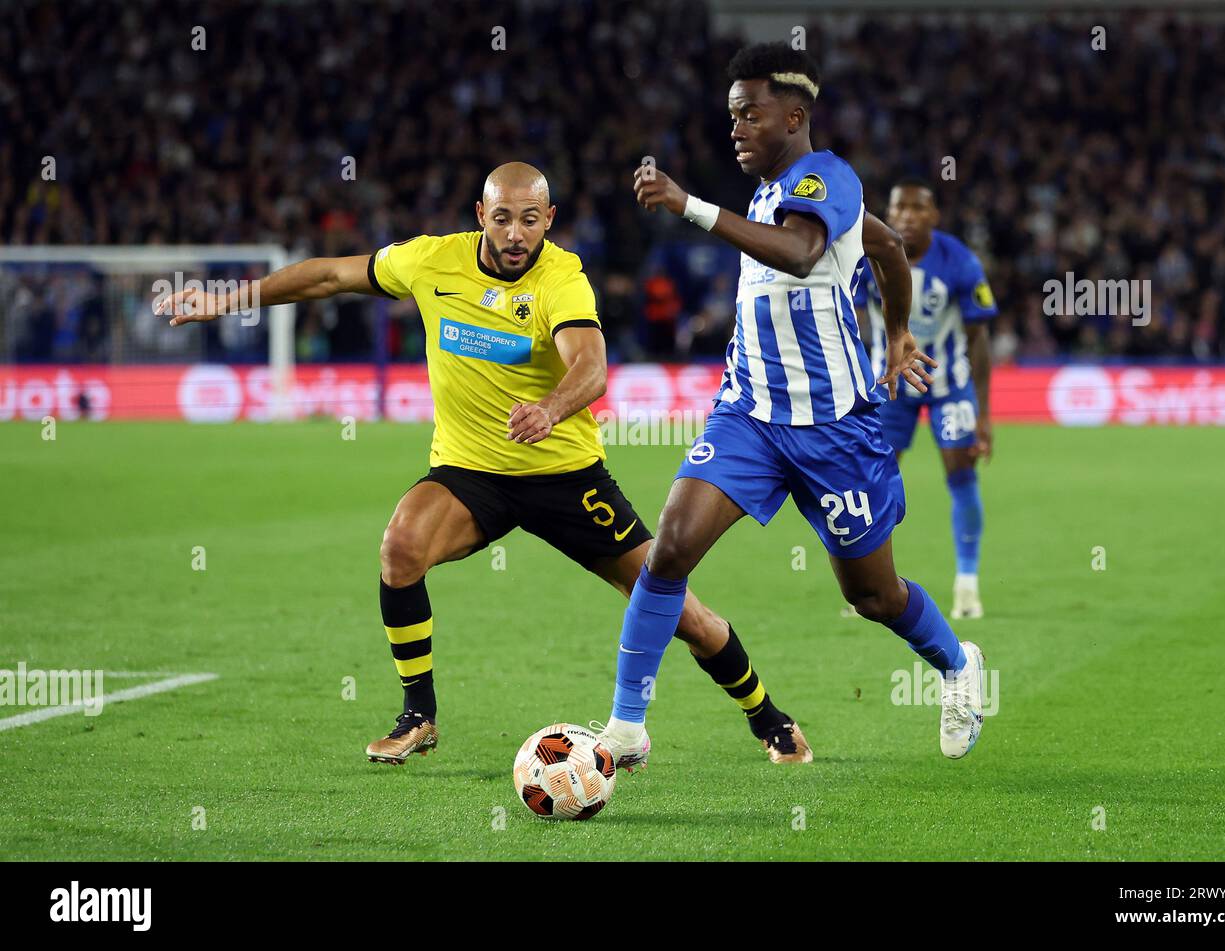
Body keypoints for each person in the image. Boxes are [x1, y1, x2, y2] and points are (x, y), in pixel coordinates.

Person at [154, 162, 811, 766]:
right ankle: (419, 715)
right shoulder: (431, 260)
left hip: (564, 474)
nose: (516, 232)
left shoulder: (562, 275)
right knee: (400, 546)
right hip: (471, 472)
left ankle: (766, 715)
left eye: (531, 218)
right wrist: (225, 299)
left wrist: (552, 407)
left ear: (548, 220)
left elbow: (591, 364)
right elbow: (329, 275)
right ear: (480, 214)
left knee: (681, 610)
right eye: (502, 217)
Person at [594, 44, 987, 769]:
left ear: (795, 116)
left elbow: (805, 253)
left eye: (751, 114)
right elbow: (891, 247)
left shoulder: (827, 177)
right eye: (732, 115)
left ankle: (959, 664)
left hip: (835, 428)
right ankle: (626, 724)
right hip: (749, 416)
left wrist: (689, 205)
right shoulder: (769, 191)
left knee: (874, 594)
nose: (736, 127)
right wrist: (897, 333)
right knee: (671, 546)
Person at [856, 178, 997, 618]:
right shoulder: (867, 255)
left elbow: (978, 339)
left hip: (948, 387)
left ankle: (967, 583)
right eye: (899, 209)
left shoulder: (959, 261)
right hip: (891, 387)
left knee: (961, 475)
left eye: (918, 210)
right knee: (874, 480)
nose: (907, 217)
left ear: (934, 217)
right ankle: (869, 584)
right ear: (890, 212)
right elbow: (855, 322)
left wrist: (984, 414)